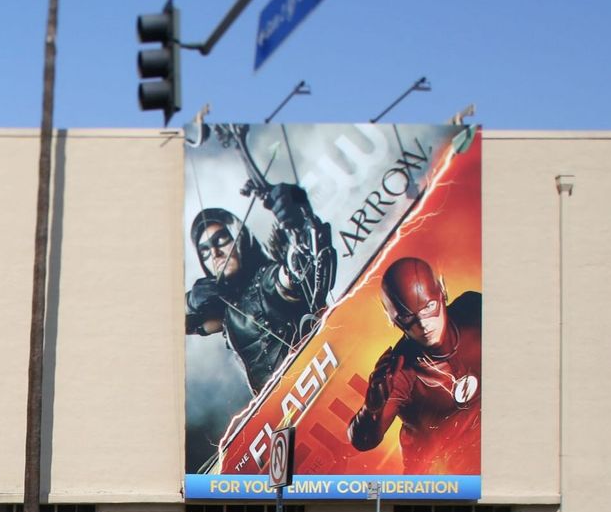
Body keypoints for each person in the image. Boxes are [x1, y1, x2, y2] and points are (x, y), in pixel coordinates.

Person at [185, 181, 335, 394]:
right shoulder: (225, 310)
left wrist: (299, 220)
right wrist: (190, 302)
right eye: (205, 252)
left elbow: (298, 270)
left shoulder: (268, 278)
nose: (216, 254)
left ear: (240, 236)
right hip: (281, 409)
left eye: (221, 240)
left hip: (324, 376)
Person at [347, 256, 483, 475]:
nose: (423, 324)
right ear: (394, 320)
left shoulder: (473, 310)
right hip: (442, 469)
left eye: (429, 307)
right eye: (409, 318)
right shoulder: (400, 371)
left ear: (442, 293)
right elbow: (363, 440)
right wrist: (371, 409)